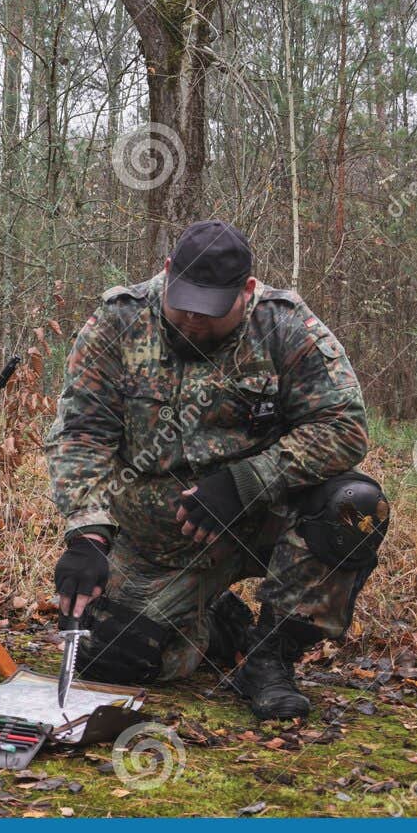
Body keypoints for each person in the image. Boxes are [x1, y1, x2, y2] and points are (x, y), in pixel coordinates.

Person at [46, 219, 390, 719]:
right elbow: (80, 432)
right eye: (181, 302)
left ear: (246, 292)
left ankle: (269, 658)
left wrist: (247, 481)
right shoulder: (119, 322)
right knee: (115, 658)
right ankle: (214, 620)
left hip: (265, 524)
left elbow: (345, 427)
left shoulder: (284, 326)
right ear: (167, 272)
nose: (190, 320)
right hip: (162, 542)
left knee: (352, 508)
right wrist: (87, 534)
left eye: (208, 312)